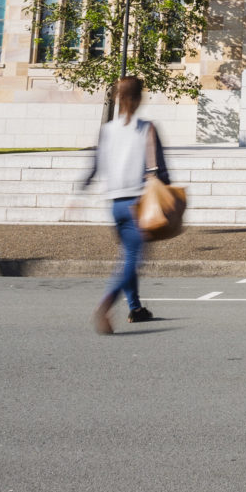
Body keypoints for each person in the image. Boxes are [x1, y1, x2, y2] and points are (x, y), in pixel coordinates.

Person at [77, 75, 162, 333]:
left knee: (128, 255)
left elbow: (94, 167)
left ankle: (136, 308)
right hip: (137, 202)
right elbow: (158, 168)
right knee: (133, 259)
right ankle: (105, 305)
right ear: (138, 99)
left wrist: (79, 191)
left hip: (114, 204)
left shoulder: (107, 130)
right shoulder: (146, 128)